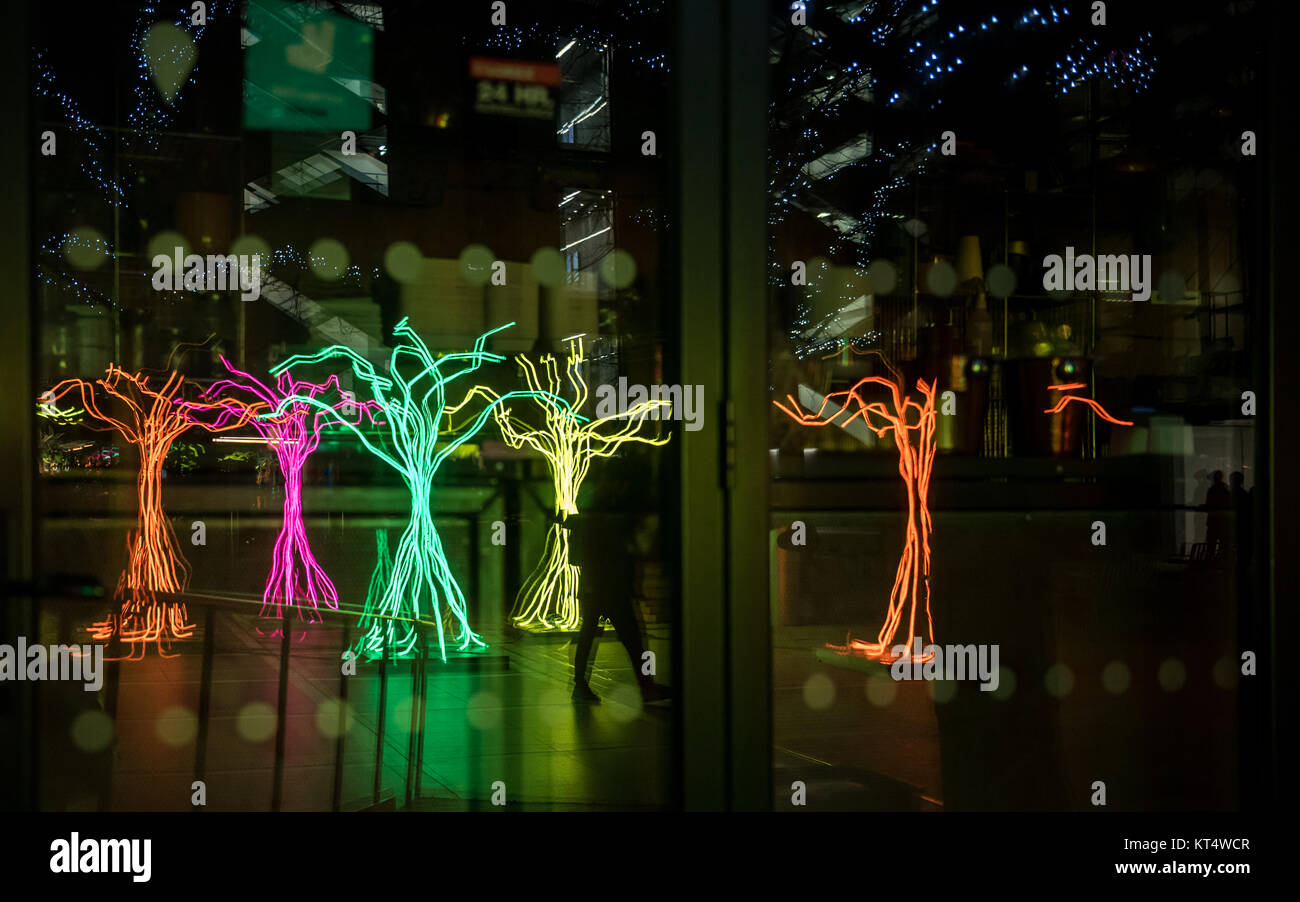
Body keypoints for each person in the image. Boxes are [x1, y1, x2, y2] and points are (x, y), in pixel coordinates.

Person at [567, 458, 670, 705]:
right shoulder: (609, 510)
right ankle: (645, 686)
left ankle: (582, 684)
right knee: (633, 639)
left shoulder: (597, 506)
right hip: (609, 586)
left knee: (592, 636)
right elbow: (617, 548)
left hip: (598, 585)